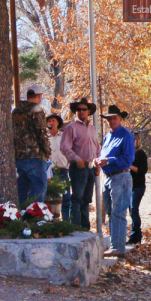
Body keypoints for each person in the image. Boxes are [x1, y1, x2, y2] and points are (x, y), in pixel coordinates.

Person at [94, 105, 134, 257]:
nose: (112, 121)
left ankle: (118, 248)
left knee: (119, 212)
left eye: (114, 118)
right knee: (111, 212)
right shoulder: (108, 136)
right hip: (108, 177)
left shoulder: (127, 136)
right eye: (109, 119)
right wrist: (99, 161)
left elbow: (128, 159)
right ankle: (114, 245)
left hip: (121, 177)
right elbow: (104, 155)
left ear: (120, 119)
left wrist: (108, 161)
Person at [61, 97, 98, 229]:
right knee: (76, 198)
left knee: (87, 199)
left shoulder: (93, 129)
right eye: (78, 109)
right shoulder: (71, 128)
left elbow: (96, 148)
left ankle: (85, 227)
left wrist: (97, 165)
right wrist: (77, 159)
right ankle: (75, 228)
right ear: (75, 111)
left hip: (91, 167)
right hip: (78, 167)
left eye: (84, 109)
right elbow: (65, 147)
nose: (81, 112)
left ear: (89, 111)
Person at [13, 84, 51, 204]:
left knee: (22, 192)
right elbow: (41, 132)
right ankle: (36, 218)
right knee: (38, 193)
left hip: (19, 158)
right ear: (39, 96)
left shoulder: (15, 111)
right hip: (35, 157)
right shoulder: (36, 110)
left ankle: (21, 219)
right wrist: (47, 152)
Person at [46, 113, 71, 220]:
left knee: (66, 197)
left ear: (58, 123)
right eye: (49, 121)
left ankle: (66, 221)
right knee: (49, 198)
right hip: (49, 172)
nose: (51, 123)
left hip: (63, 170)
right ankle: (50, 220)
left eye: (53, 121)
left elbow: (70, 150)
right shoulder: (44, 138)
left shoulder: (64, 136)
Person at [128, 132, 148, 244]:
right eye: (131, 140)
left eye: (135, 140)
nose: (133, 142)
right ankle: (138, 236)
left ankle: (134, 235)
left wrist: (130, 167)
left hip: (138, 186)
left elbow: (143, 170)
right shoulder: (127, 153)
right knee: (131, 210)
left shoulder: (141, 154)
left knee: (134, 209)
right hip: (128, 186)